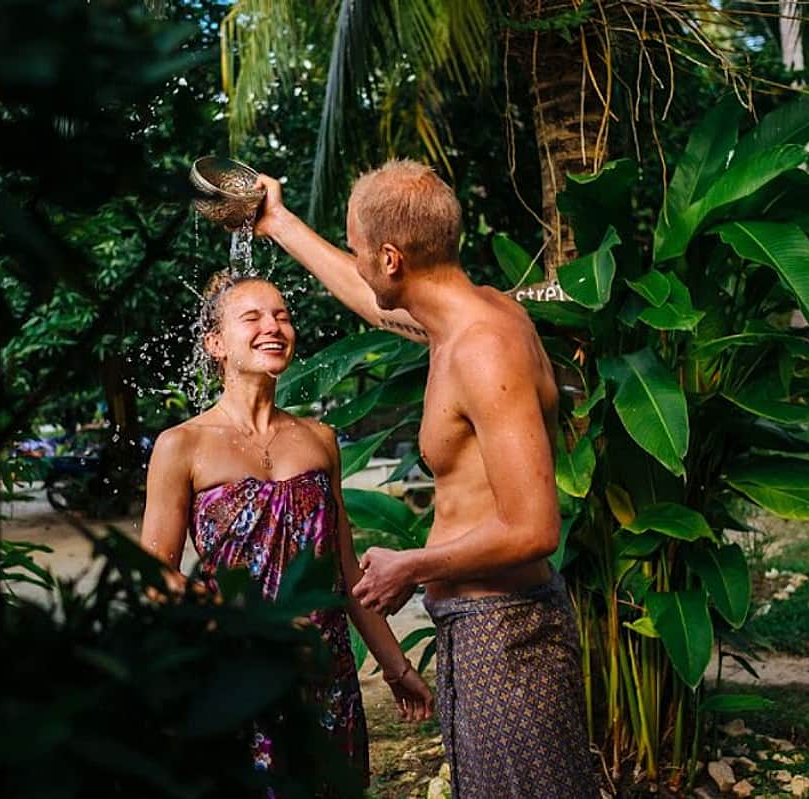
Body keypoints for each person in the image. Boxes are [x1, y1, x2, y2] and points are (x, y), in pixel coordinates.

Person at [252, 160, 599, 799]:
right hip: (478, 627)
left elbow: (534, 527)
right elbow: (371, 303)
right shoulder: (462, 318)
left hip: (509, 636)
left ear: (390, 258)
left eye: (359, 252)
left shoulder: (484, 347)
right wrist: (278, 223)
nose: (357, 265)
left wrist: (409, 565)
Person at [139, 271, 434, 795]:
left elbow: (345, 572)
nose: (273, 327)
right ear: (215, 344)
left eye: (281, 315)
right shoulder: (181, 445)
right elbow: (152, 580)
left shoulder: (318, 440)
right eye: (251, 317)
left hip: (326, 676)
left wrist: (395, 665)